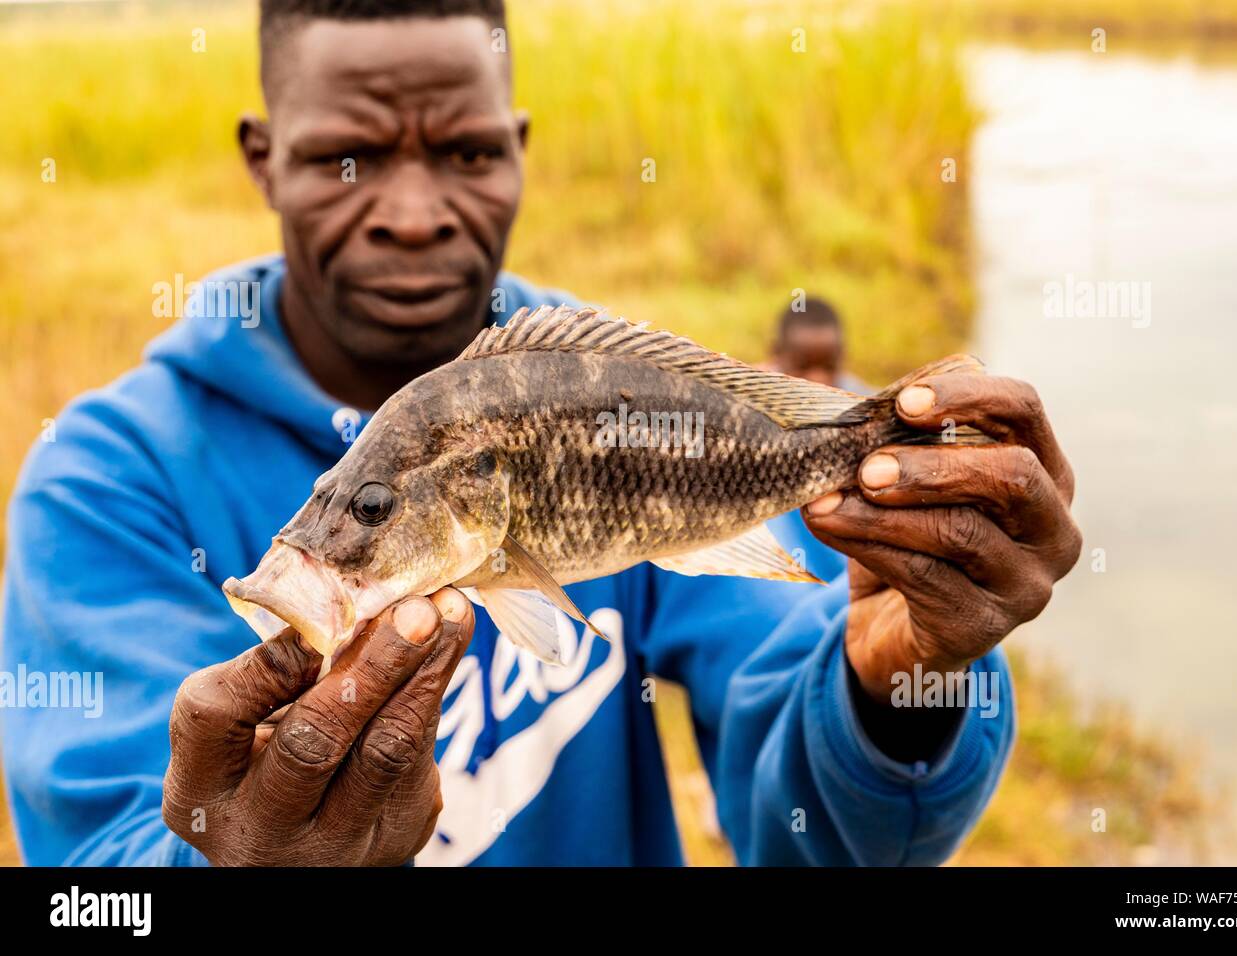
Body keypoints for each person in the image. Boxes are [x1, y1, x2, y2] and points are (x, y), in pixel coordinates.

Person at [0, 0, 1081, 867]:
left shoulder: (610, 395)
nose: (415, 209)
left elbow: (813, 828)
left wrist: (897, 684)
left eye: (467, 153)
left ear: (518, 150)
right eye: (349, 158)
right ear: (263, 155)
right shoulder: (100, 484)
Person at [768, 295, 870, 392]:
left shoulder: (864, 402)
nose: (818, 381)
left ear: (842, 354)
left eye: (829, 367)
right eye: (803, 367)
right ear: (777, 353)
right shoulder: (757, 398)